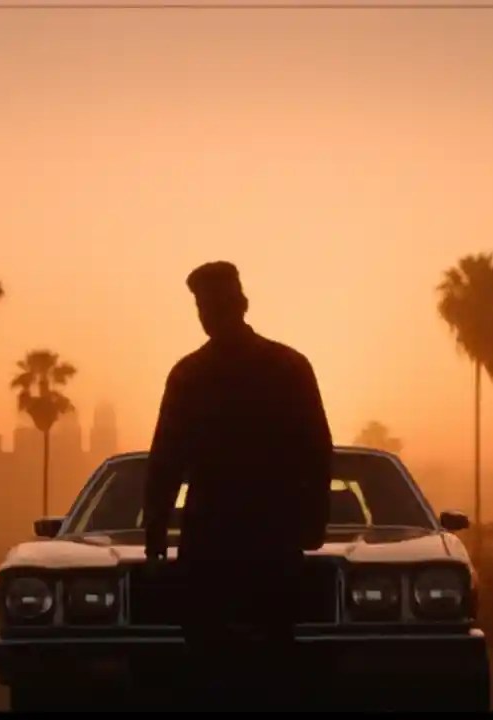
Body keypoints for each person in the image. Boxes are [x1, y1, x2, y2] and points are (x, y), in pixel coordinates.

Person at [142, 261, 334, 710]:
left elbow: (166, 458)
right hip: (259, 535)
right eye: (203, 306)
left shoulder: (193, 374)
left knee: (221, 657)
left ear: (234, 306)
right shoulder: (285, 366)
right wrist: (312, 522)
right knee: (262, 654)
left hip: (226, 535)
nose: (208, 314)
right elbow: (317, 449)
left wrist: (156, 527)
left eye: (210, 305)